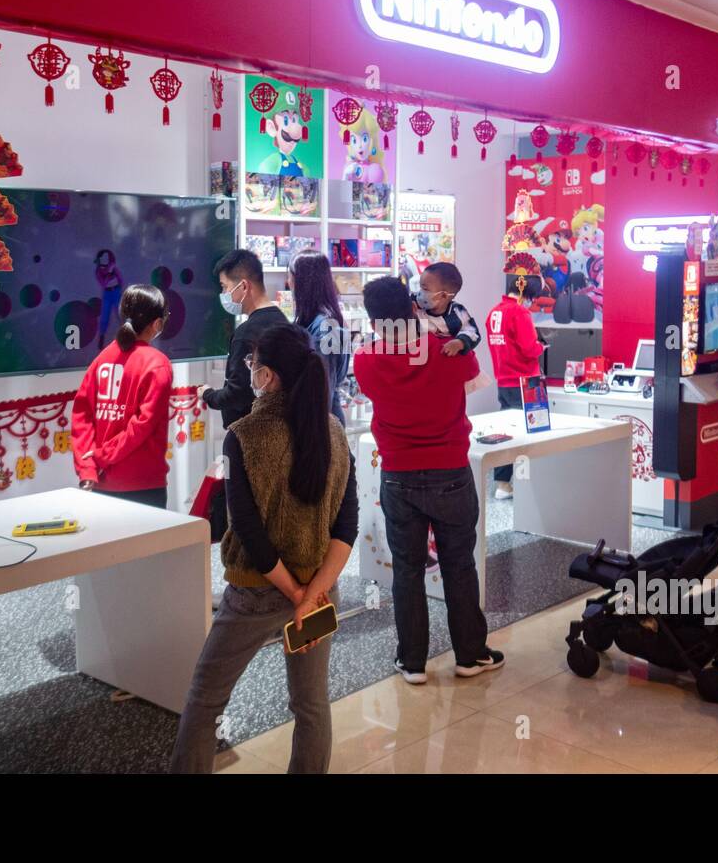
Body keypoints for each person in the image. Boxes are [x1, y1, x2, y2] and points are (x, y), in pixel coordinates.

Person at [170, 325, 356, 773]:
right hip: (320, 590)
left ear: (268, 376)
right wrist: (310, 595)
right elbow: (345, 527)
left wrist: (295, 593)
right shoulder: (333, 430)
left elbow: (249, 533)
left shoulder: (244, 435)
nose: (249, 371)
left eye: (252, 365)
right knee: (311, 706)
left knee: (205, 699)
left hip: (256, 592)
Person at [353, 276, 502, 685]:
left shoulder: (365, 358)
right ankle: (470, 655)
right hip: (450, 470)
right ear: (413, 306)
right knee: (458, 565)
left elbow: (375, 394)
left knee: (407, 569)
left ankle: (413, 661)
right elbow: (470, 380)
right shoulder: (448, 349)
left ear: (372, 320)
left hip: (398, 475)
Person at [198, 250, 291, 539]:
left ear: (244, 286)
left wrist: (208, 395)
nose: (225, 295)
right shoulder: (285, 324)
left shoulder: (247, 333)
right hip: (283, 432)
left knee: (243, 519)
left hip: (247, 438)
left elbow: (237, 394)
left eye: (226, 288)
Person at [71, 285, 173, 508]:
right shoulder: (157, 363)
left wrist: (88, 467)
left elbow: (81, 416)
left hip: (100, 483)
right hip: (143, 486)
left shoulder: (103, 357)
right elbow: (142, 426)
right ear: (157, 323)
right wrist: (101, 456)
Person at [484, 272, 545, 500]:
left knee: (507, 431)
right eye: (533, 297)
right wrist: (541, 347)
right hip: (526, 379)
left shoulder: (494, 312)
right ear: (527, 294)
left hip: (504, 379)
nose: (533, 301)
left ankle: (502, 484)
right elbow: (529, 348)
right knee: (529, 434)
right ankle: (527, 486)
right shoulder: (519, 312)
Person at [289, 249, 350, 423]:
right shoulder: (313, 321)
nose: (288, 282)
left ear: (301, 281)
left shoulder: (327, 327)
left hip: (322, 422)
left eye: (291, 277)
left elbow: (323, 387)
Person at [414, 261, 481, 357]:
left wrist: (459, 343)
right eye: (420, 287)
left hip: (442, 359)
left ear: (444, 296)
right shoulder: (415, 303)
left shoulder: (457, 312)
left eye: (425, 289)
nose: (420, 293)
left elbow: (473, 332)